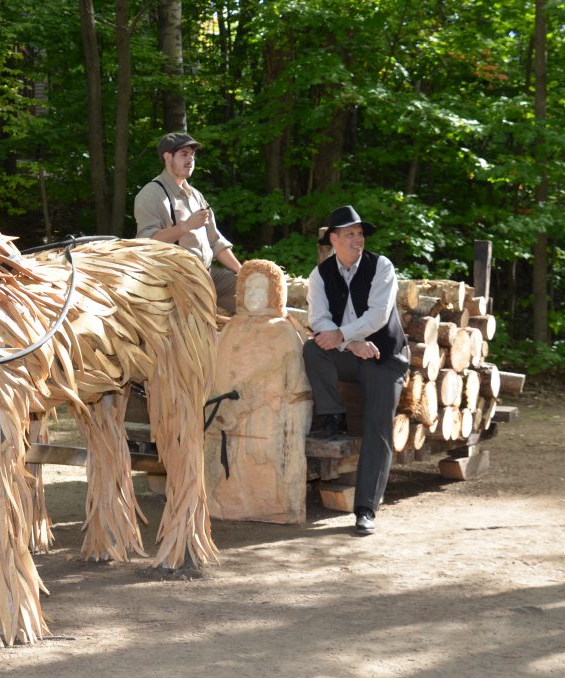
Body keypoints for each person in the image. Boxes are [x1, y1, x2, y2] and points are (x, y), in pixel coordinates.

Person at [303, 205, 409, 535]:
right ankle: (333, 415)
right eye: (350, 234)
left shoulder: (382, 267)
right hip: (352, 354)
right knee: (312, 349)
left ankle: (365, 509)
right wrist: (351, 344)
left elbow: (378, 315)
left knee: (378, 427)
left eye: (360, 233)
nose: (357, 239)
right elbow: (318, 320)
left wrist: (344, 336)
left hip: (384, 357)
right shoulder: (320, 275)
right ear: (333, 239)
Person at [204, 259, 312, 524]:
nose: (253, 296)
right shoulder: (231, 327)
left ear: (274, 294)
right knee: (226, 459)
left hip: (268, 414)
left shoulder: (283, 330)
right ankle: (224, 504)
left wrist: (239, 405)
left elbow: (284, 379)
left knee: (262, 460)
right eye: (249, 289)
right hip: (226, 414)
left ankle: (273, 509)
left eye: (260, 290)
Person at [133, 132, 241, 315]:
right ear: (167, 157)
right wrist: (185, 227)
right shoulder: (151, 194)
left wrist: (242, 271)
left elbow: (216, 242)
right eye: (184, 154)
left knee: (249, 290)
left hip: (206, 274)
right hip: (176, 281)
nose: (190, 160)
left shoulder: (196, 195)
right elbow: (146, 243)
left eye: (192, 155)